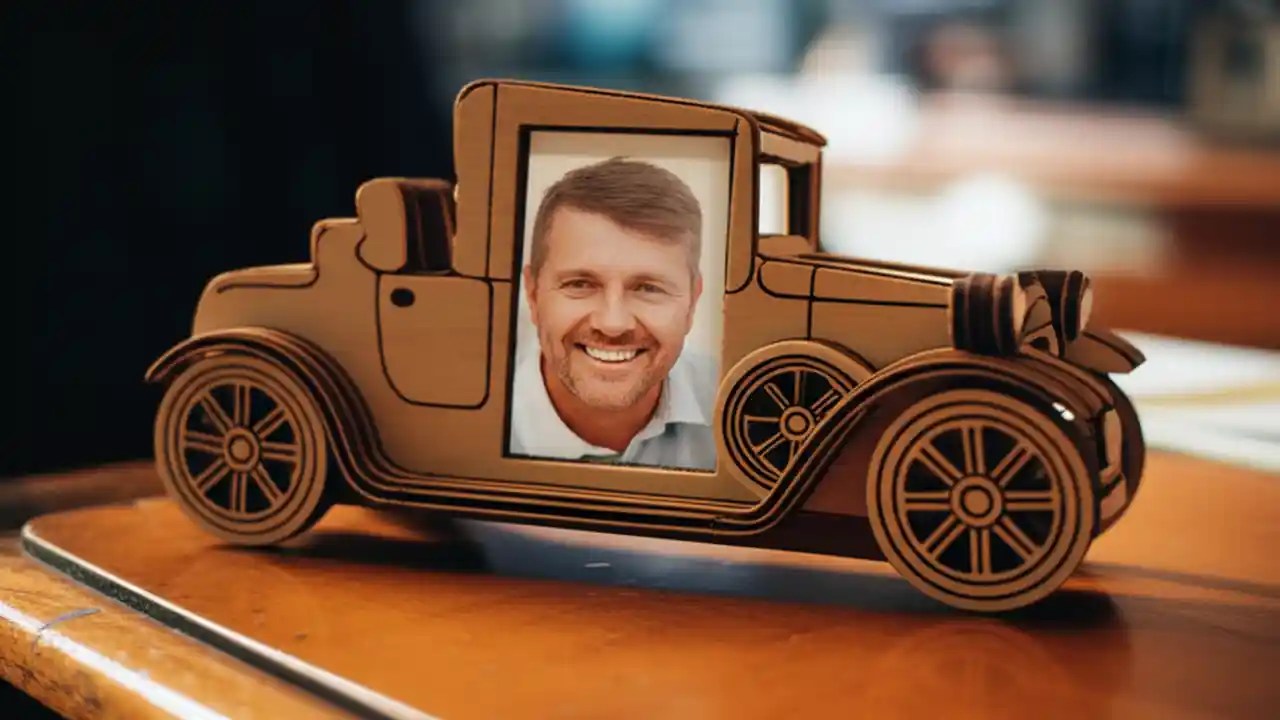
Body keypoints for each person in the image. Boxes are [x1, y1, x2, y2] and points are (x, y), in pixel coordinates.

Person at [509, 157, 716, 471]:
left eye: (648, 288)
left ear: (692, 303)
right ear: (533, 294)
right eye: (580, 284)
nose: (613, 324)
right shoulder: (463, 425)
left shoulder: (743, 405)